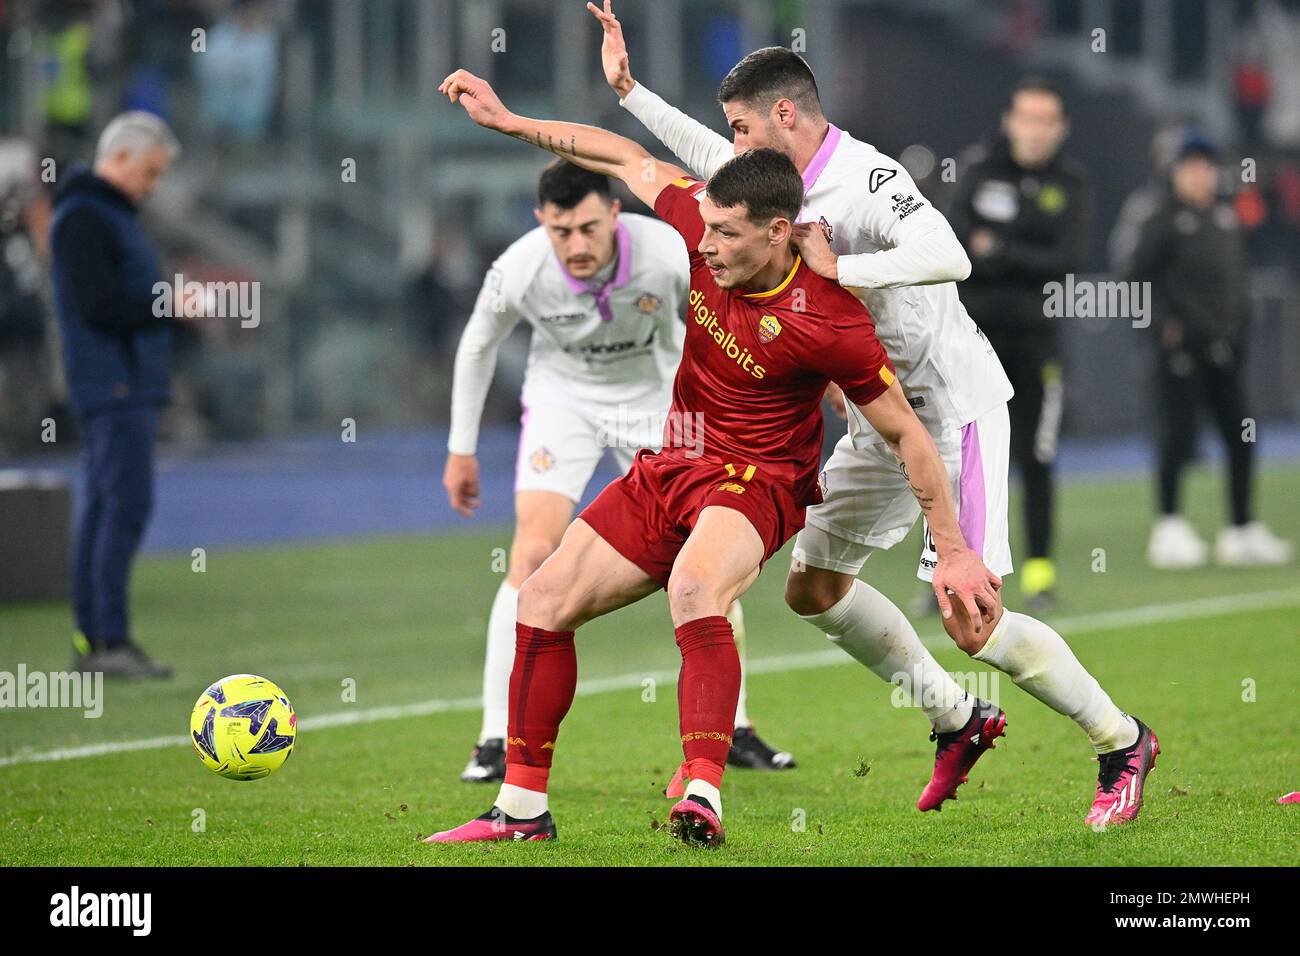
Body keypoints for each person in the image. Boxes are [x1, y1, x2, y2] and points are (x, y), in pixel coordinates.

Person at [588, 2, 1158, 827]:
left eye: (744, 128)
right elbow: (693, 150)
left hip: (950, 411)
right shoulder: (770, 176)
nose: (736, 145)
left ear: (785, 115)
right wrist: (631, 91)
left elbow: (951, 256)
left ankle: (1121, 739)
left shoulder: (871, 177)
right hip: (877, 417)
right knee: (813, 587)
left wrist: (839, 265)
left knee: (974, 619)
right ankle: (958, 717)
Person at [428, 67, 1001, 847]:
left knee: (697, 588)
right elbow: (623, 157)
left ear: (777, 232)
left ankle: (703, 791)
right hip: (675, 463)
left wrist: (957, 548)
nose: (705, 243)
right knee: (541, 597)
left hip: (760, 482)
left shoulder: (829, 319)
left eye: (726, 233)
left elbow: (906, 433)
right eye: (707, 225)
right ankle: (521, 811)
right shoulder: (707, 224)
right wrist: (508, 120)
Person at [445, 159, 795, 782]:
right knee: (531, 554)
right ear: (540, 223)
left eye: (586, 228)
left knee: (706, 561)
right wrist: (461, 448)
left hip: (661, 401)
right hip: (564, 402)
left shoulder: (664, 251)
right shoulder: (521, 268)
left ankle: (734, 727)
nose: (575, 246)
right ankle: (494, 737)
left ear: (613, 213)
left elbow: (737, 303)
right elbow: (477, 344)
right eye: (560, 231)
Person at [946, 76, 1092, 611]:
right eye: (1026, 117)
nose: (1034, 131)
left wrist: (999, 248)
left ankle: (1038, 574)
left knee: (1036, 455)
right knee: (957, 459)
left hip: (1039, 345)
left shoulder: (1072, 183)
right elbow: (956, 243)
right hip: (974, 342)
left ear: (1061, 129)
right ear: (1010, 120)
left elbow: (1067, 258)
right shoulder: (977, 169)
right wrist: (1020, 250)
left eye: (1045, 120)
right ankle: (943, 572)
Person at [1120, 131, 1292, 568]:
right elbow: (1132, 280)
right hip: (1180, 350)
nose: (1200, 176)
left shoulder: (1225, 215)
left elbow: (1236, 279)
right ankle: (1169, 526)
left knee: (1241, 436)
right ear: (1175, 172)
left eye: (1206, 167)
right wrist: (1162, 329)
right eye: (1191, 167)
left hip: (1226, 347)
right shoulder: (1158, 216)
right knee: (1177, 437)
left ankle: (1241, 528)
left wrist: (1239, 326)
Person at [51, 111, 182, 678]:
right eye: (149, 173)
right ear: (121, 157)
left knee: (107, 507)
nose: (151, 187)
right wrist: (169, 305)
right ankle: (106, 642)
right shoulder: (86, 217)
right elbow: (99, 306)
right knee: (122, 506)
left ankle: (98, 642)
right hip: (114, 382)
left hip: (120, 381)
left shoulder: (101, 214)